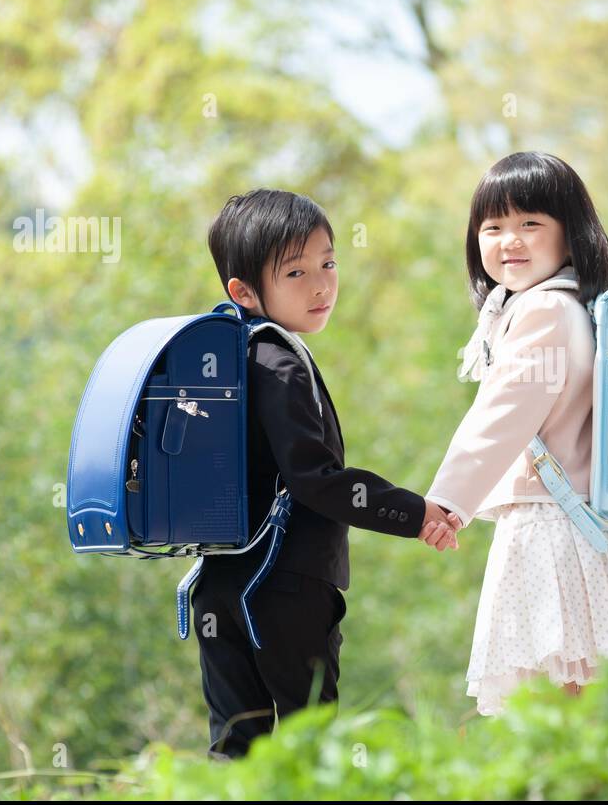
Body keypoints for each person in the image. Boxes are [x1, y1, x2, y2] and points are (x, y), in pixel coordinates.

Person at [190, 188, 458, 758]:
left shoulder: (225, 359)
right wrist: (415, 513)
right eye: (295, 271)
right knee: (311, 748)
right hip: (285, 589)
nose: (321, 285)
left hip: (218, 588)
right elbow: (316, 480)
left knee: (234, 748)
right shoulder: (279, 362)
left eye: (328, 263)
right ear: (244, 291)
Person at [421, 151, 608, 717]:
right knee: (581, 699)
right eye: (492, 228)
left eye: (530, 224)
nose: (509, 240)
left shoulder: (542, 312)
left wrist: (446, 503)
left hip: (547, 529)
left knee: (556, 699)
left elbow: (502, 416)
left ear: (570, 234)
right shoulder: (572, 307)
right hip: (576, 524)